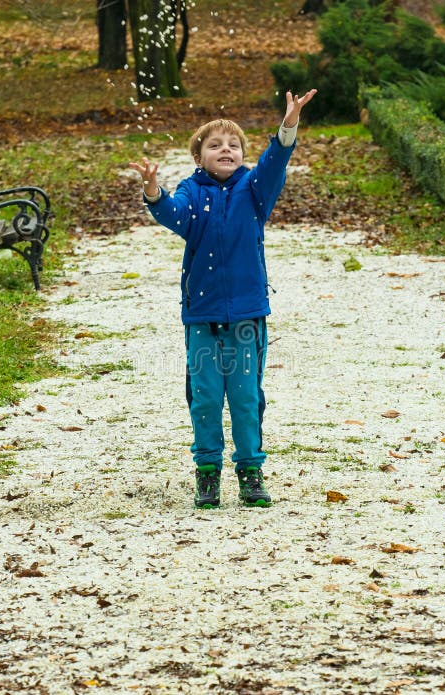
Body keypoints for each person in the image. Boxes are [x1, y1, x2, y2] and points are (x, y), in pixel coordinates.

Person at [129, 89, 317, 509]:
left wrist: (288, 125)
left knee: (246, 398)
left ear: (243, 155)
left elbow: (274, 162)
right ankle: (207, 471)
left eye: (233, 144)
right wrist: (154, 192)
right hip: (202, 317)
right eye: (215, 145)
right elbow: (173, 214)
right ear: (199, 158)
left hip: (247, 317)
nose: (226, 149)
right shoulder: (191, 193)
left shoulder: (254, 190)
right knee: (206, 396)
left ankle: (250, 470)